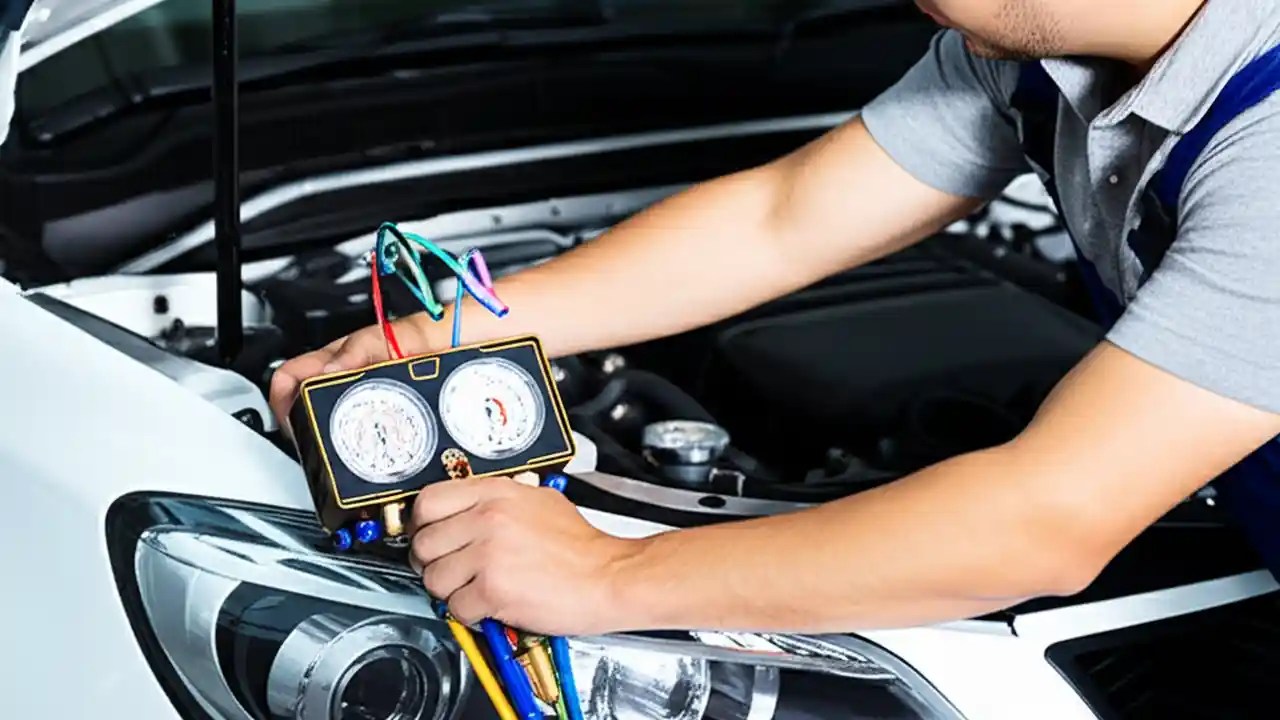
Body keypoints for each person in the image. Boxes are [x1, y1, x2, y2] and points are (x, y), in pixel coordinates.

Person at [270, 0, 1280, 637]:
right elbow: (782, 218)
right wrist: (445, 338)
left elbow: (1041, 524)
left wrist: (608, 575)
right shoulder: (1027, 47)